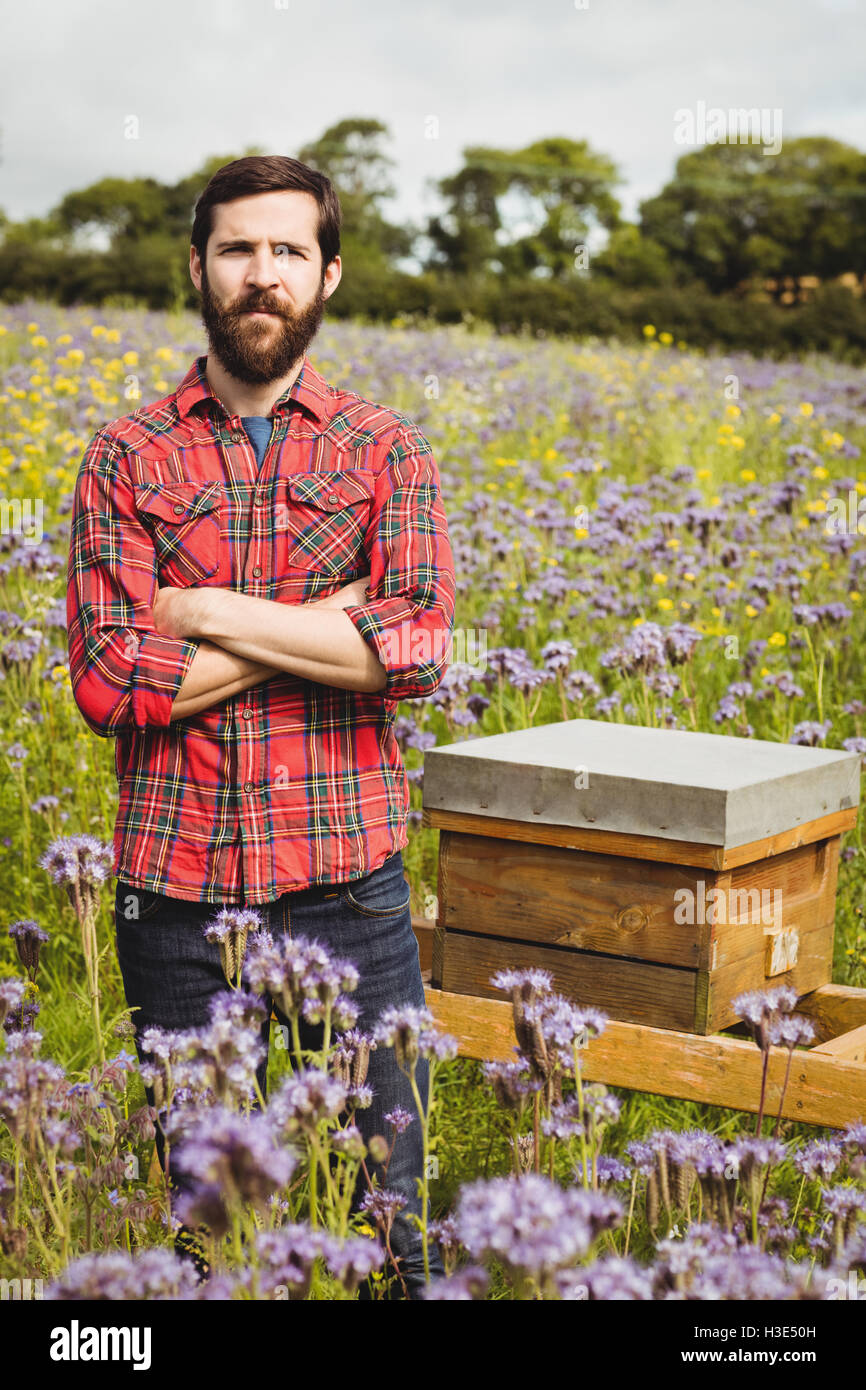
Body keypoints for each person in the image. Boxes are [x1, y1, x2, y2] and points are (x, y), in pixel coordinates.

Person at [65, 154, 456, 1297]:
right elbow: (110, 686)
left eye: (289, 251)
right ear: (198, 267)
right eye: (238, 249)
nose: (261, 274)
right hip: (175, 902)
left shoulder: (387, 449)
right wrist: (327, 627)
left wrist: (205, 615)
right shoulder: (125, 455)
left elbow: (419, 647)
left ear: (326, 275)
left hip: (352, 896)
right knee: (212, 1241)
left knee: (386, 1230)